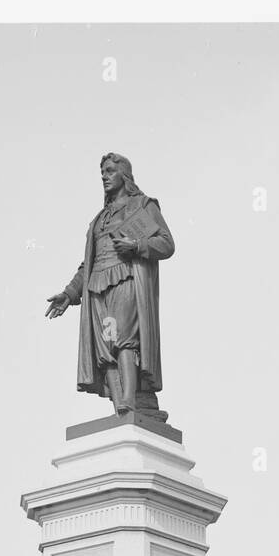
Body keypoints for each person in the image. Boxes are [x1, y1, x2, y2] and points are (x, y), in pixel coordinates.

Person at [45, 152, 174, 418]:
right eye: (102, 172)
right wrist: (70, 293)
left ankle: (129, 399)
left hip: (125, 278)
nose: (104, 176)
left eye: (109, 171)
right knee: (106, 346)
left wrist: (137, 246)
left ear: (124, 175)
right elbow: (88, 263)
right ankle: (121, 409)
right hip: (97, 286)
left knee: (124, 338)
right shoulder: (99, 218)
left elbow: (167, 243)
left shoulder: (142, 205)